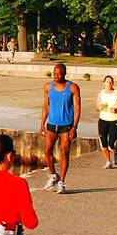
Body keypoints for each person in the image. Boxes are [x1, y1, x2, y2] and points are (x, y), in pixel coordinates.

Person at [40, 62, 81, 194]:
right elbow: (46, 106)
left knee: (64, 151)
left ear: (64, 74)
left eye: (59, 74)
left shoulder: (73, 88)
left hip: (66, 125)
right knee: (47, 150)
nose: (56, 76)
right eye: (55, 73)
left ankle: (62, 182)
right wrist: (42, 124)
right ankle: (53, 175)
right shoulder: (48, 87)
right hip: (52, 124)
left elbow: (77, 108)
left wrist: (74, 127)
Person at [96, 75, 117, 168]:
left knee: (111, 144)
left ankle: (115, 150)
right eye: (107, 82)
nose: (109, 84)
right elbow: (97, 106)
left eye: (111, 82)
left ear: (113, 83)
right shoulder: (100, 93)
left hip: (115, 120)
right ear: (104, 83)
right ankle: (108, 161)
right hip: (103, 120)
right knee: (103, 142)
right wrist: (100, 107)